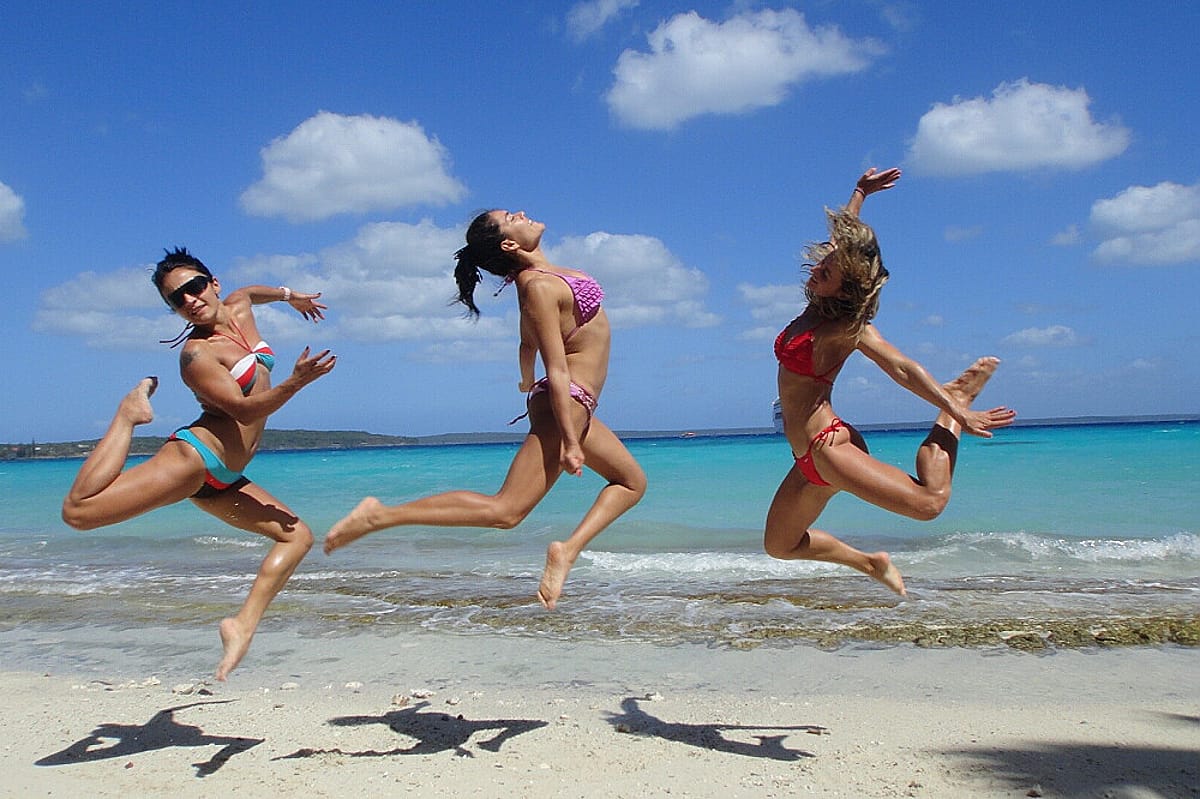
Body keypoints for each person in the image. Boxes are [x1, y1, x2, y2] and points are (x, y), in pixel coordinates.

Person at [325, 209, 647, 609]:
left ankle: (566, 551)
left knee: (632, 483)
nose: (523, 214)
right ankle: (382, 515)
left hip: (571, 404)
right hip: (568, 404)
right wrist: (569, 439)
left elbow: (527, 344)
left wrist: (525, 380)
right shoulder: (537, 286)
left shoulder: (542, 279)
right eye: (512, 217)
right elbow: (558, 366)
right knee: (506, 510)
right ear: (509, 244)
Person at [61, 247, 336, 679]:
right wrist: (295, 382)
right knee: (78, 513)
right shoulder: (196, 356)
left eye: (193, 287)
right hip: (195, 459)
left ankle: (241, 627)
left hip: (223, 479)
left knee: (297, 537)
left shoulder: (240, 303)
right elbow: (245, 412)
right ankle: (128, 413)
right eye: (176, 299)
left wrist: (291, 295)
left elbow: (257, 293)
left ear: (213, 283)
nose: (189, 300)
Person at [766, 169, 1016, 595]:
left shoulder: (847, 327)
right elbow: (843, 239)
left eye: (828, 272)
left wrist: (958, 411)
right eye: (823, 264)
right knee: (780, 545)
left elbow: (902, 368)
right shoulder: (817, 306)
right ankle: (869, 563)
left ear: (846, 289)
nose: (818, 270)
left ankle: (950, 408)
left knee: (929, 503)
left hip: (829, 447)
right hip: (806, 457)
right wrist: (860, 192)